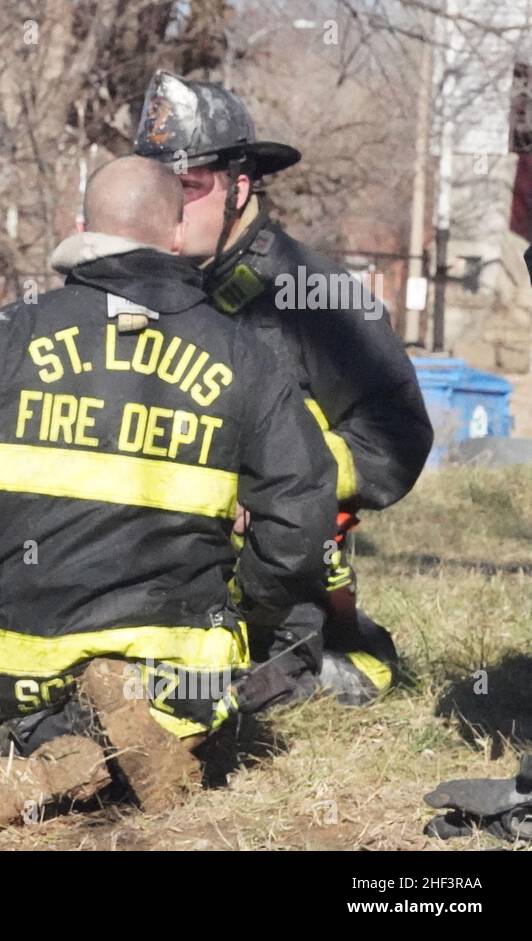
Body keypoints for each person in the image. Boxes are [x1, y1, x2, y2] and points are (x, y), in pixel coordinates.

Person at [0, 156, 336, 823]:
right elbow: (298, 520)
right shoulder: (244, 354)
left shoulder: (1, 337)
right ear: (177, 236)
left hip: (7, 668)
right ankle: (114, 736)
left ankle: (40, 753)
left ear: (79, 228)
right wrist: (245, 611)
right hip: (182, 676)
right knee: (195, 728)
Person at [133, 70, 434, 708]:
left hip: (273, 572)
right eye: (156, 188)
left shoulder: (318, 299)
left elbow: (396, 438)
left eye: (189, 186)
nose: (169, 206)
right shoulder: (139, 291)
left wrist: (282, 477)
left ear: (240, 187)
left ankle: (329, 654)